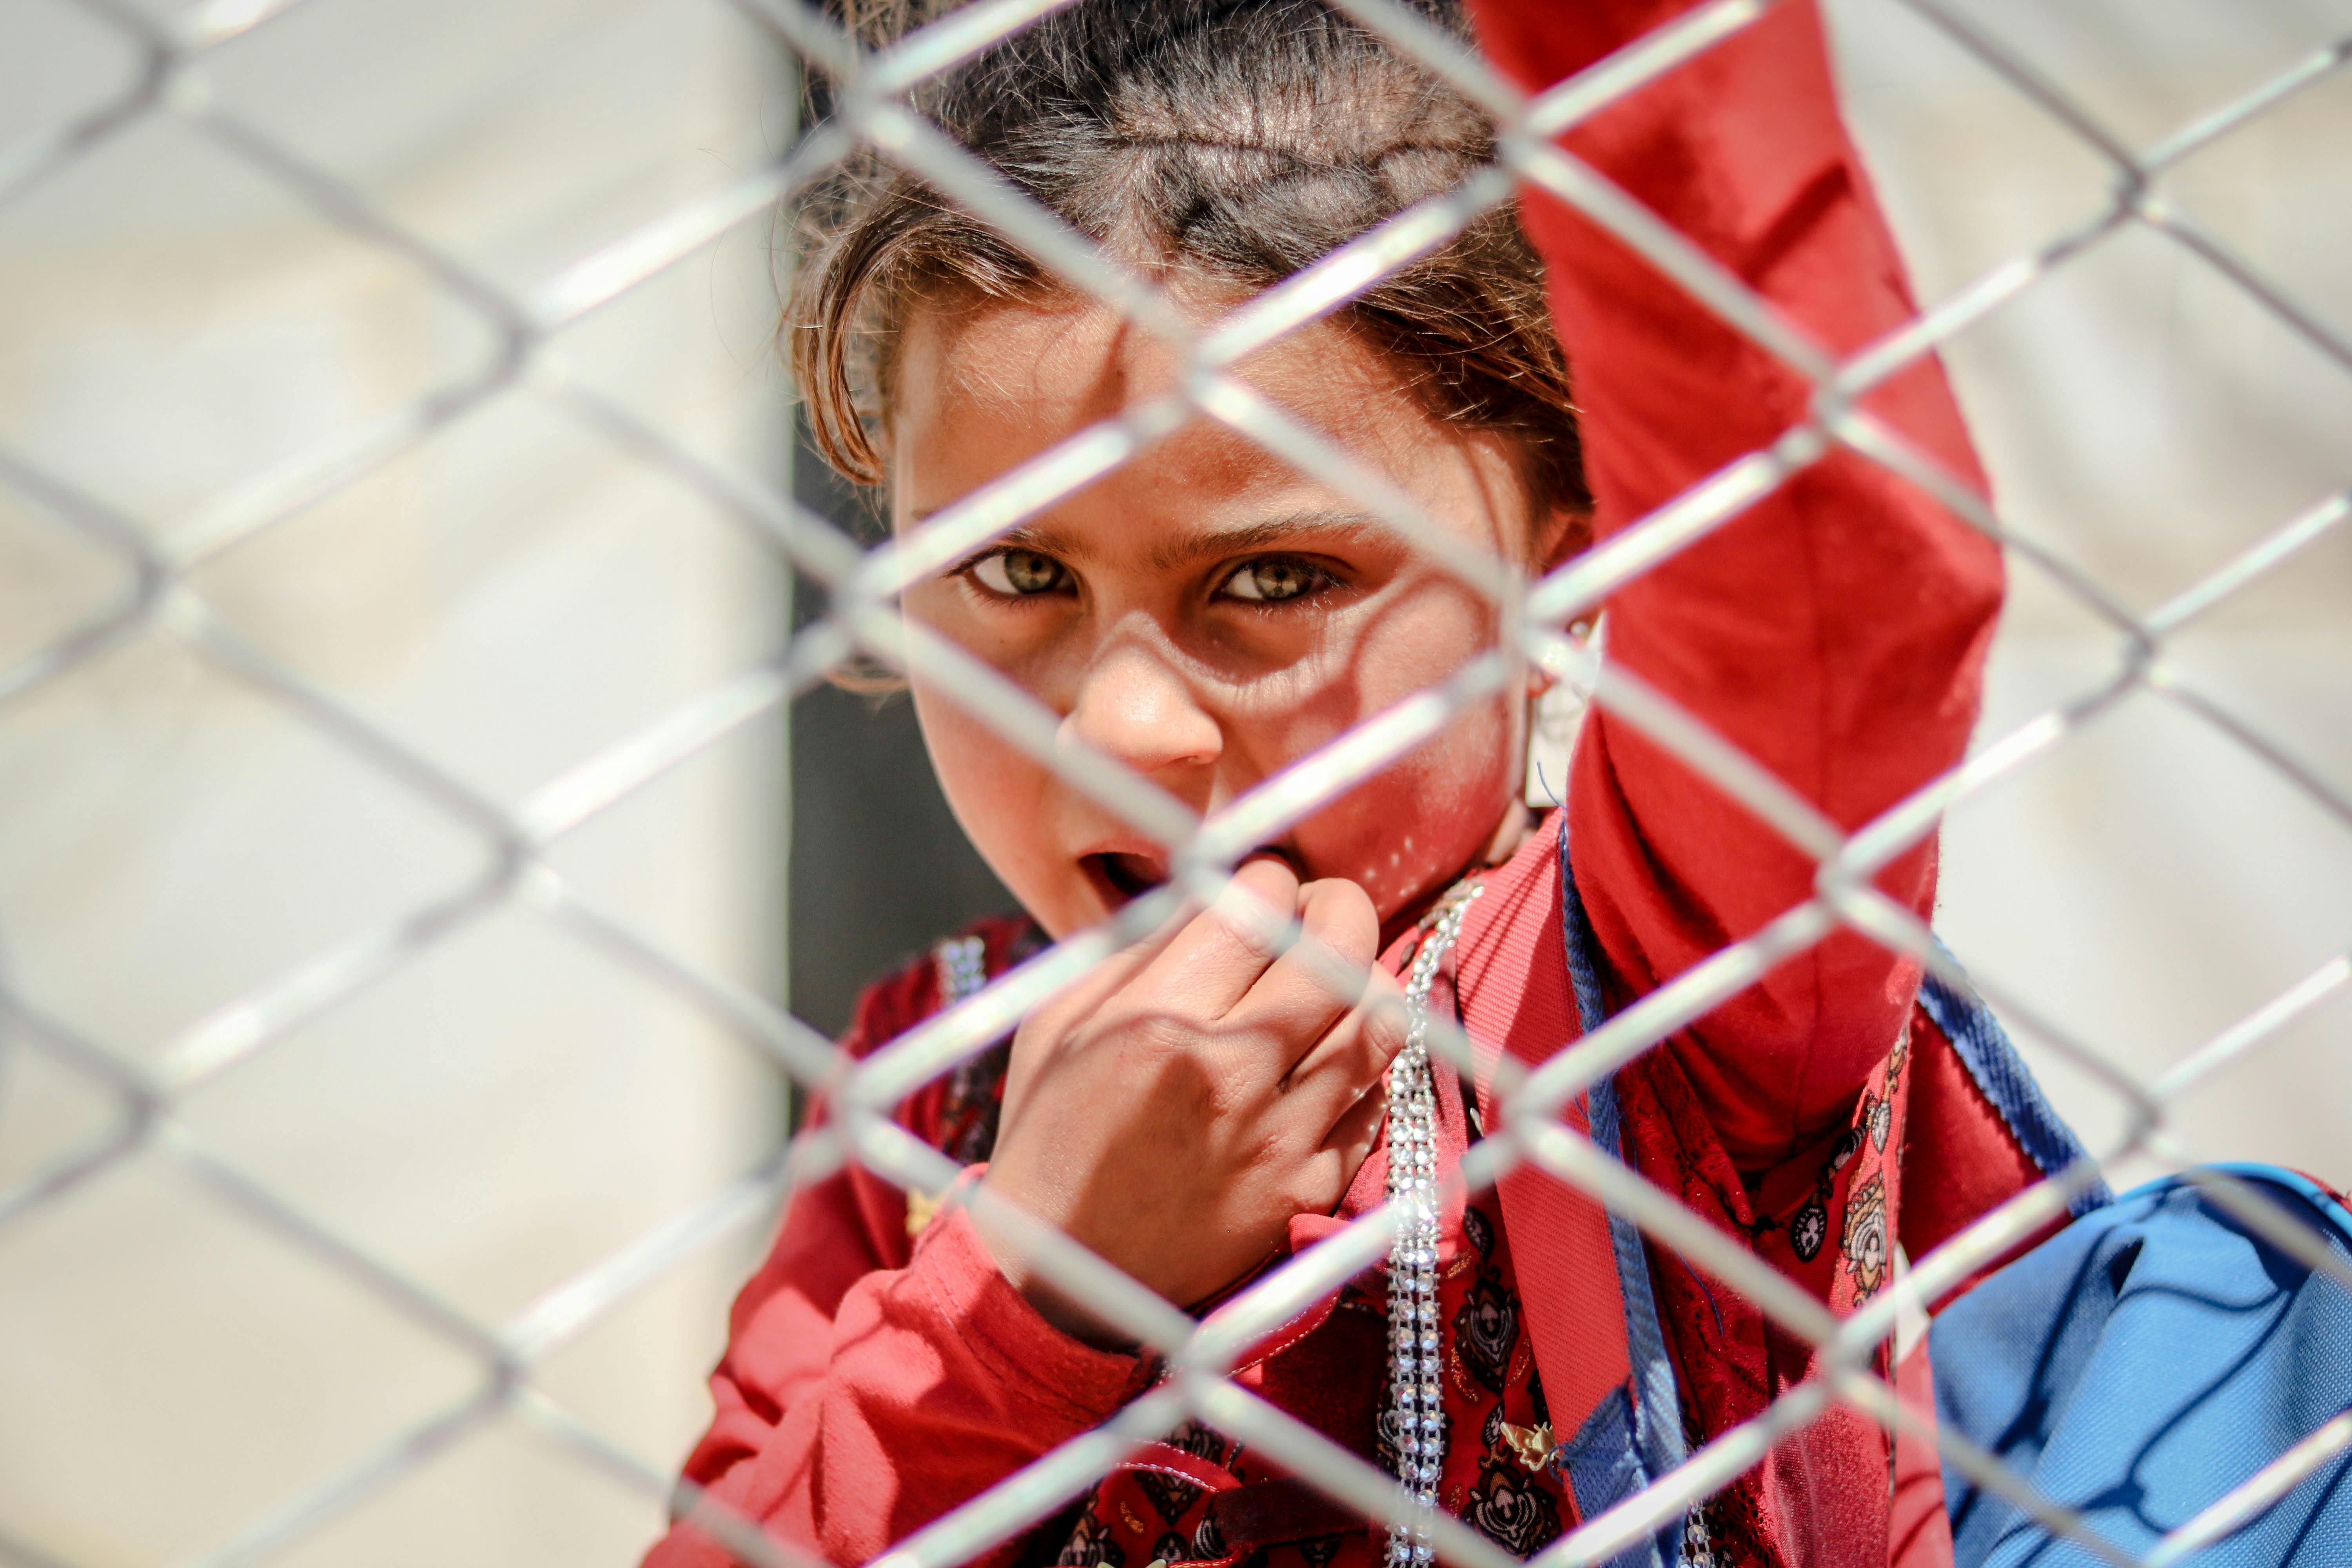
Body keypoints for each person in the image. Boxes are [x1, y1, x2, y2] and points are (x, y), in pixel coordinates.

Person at [646, 2, 2096, 1564]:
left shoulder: (1668, 979)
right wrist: (1030, 1290)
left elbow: (1838, 574)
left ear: (1562, 576)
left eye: (1272, 574)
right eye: (1012, 568)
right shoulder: (923, 1100)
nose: (1127, 730)